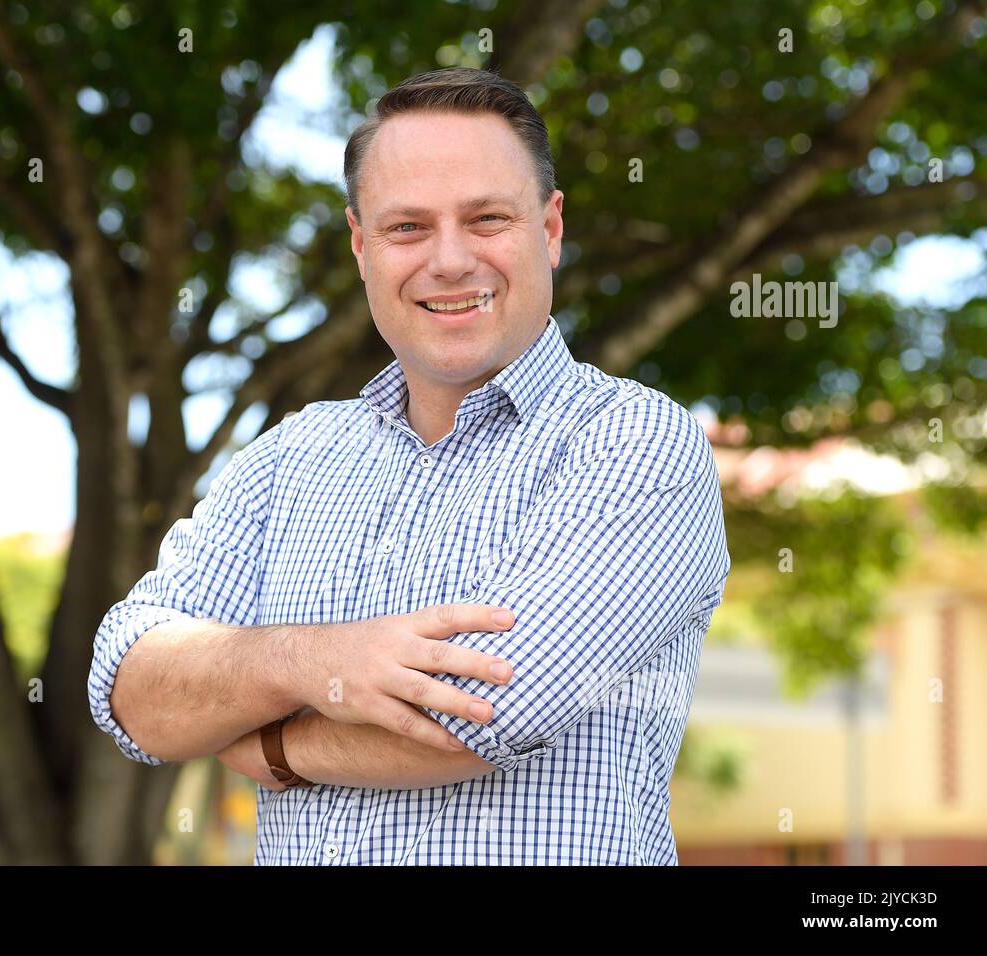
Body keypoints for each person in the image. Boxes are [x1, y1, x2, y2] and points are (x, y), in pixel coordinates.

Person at [88, 66, 730, 865]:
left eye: (487, 218)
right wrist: (314, 659)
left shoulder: (635, 444)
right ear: (361, 244)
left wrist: (271, 743)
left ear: (552, 227)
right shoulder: (290, 458)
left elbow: (492, 708)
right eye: (408, 228)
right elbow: (130, 687)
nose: (450, 260)